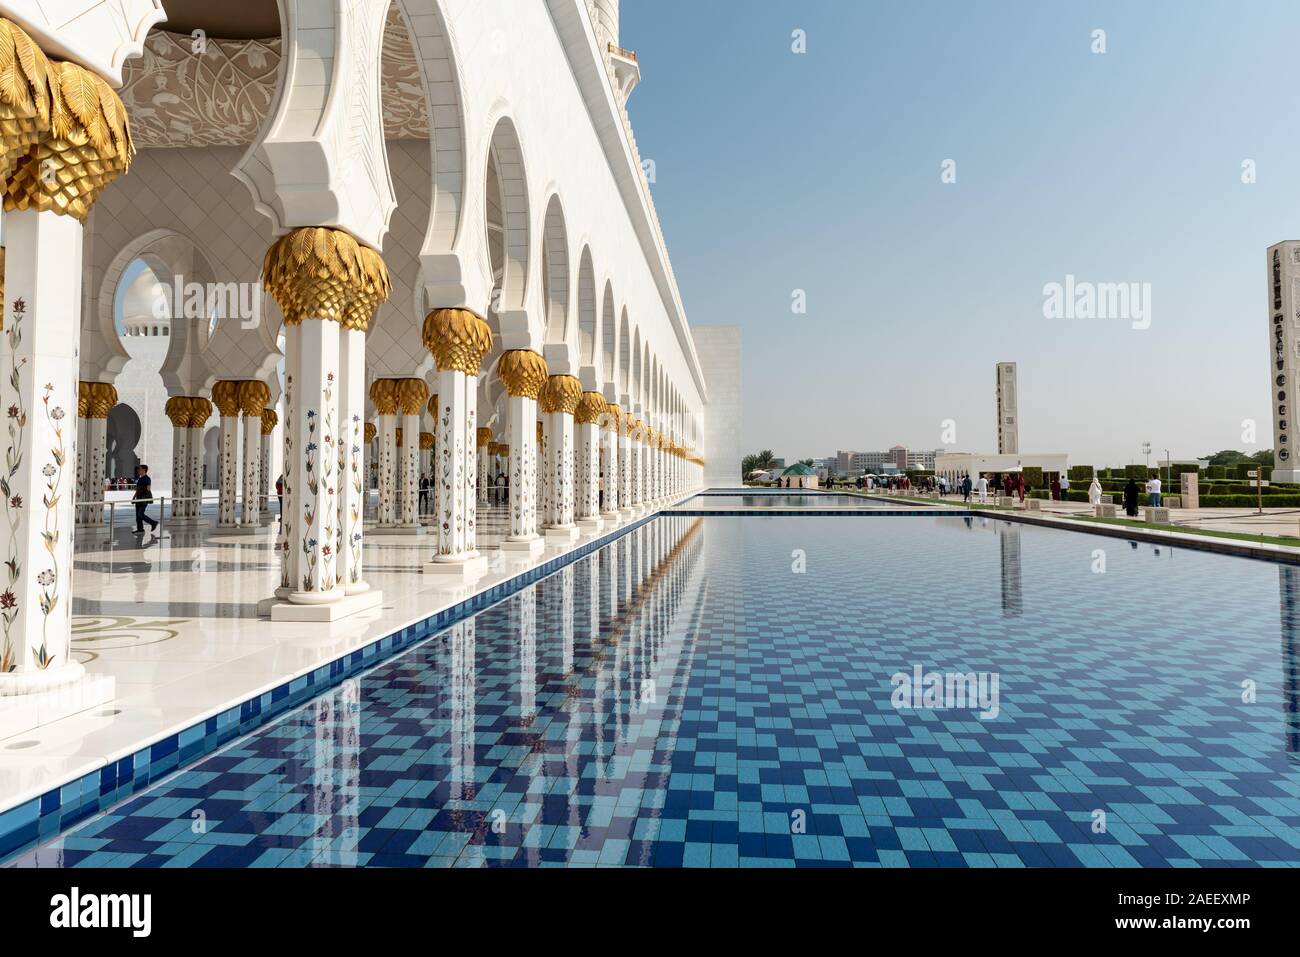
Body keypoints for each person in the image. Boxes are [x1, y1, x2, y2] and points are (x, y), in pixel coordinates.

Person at [133, 464, 158, 534]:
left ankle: (153, 523)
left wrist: (145, 498)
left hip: (143, 499)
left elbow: (148, 489)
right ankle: (140, 529)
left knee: (140, 514)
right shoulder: (140, 479)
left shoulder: (147, 479)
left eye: (140, 469)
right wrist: (134, 497)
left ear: (144, 470)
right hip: (138, 498)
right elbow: (137, 490)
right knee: (137, 515)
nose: (138, 470)